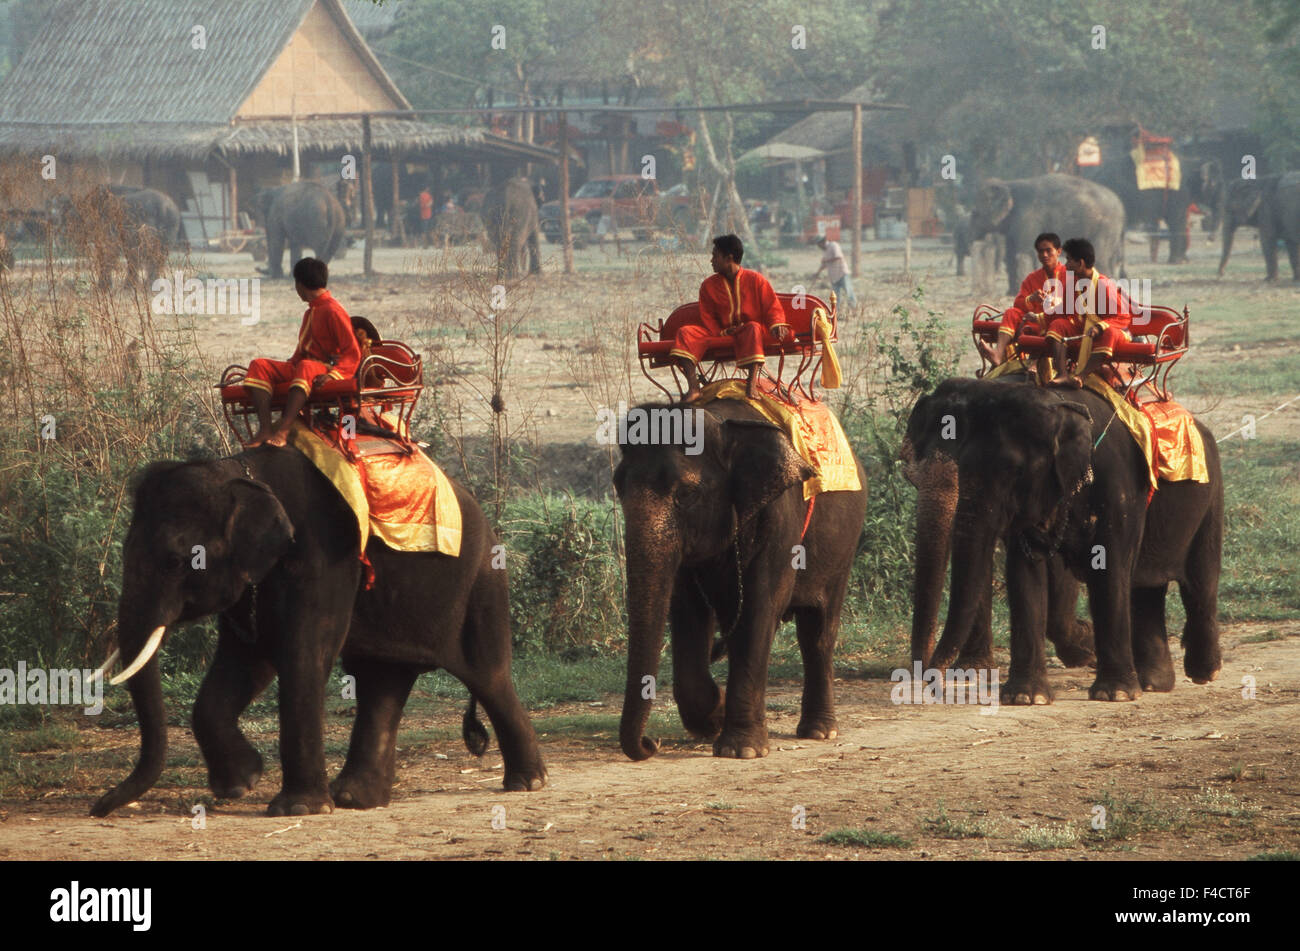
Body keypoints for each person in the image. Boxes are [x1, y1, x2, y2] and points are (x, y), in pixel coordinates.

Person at [243, 257, 360, 447]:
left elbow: (352, 352)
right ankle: (265, 429)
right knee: (259, 365)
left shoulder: (333, 310)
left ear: (300, 284)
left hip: (323, 368)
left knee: (305, 366)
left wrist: (333, 375)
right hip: (303, 367)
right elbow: (302, 350)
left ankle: (284, 430)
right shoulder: (311, 311)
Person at [671, 234, 791, 402]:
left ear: (729, 258)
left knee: (754, 328)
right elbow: (708, 316)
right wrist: (722, 332)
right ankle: (693, 387)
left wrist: (776, 325)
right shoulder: (708, 285)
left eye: (715, 256)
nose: (711, 260)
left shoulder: (756, 280)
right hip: (718, 333)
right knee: (685, 333)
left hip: (748, 331)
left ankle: (751, 384)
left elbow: (772, 307)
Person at [1043, 237, 1134, 389]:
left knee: (1109, 334)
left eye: (1069, 260)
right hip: (1086, 330)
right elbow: (1064, 312)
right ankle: (1063, 374)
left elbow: (1123, 317)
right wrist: (1040, 315)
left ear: (1081, 263)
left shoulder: (1104, 285)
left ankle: (1081, 376)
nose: (1065, 265)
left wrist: (1100, 327)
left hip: (1113, 332)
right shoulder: (1073, 284)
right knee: (1058, 325)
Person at [976, 232, 1066, 368]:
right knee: (1011, 312)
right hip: (1032, 323)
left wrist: (1050, 307)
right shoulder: (1032, 278)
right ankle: (998, 354)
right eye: (1041, 251)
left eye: (1049, 250)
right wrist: (1032, 298)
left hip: (1055, 323)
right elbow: (1018, 303)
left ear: (1059, 251)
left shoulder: (1069, 275)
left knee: (1057, 323)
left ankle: (1037, 362)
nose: (1045, 255)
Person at [812, 234, 855, 304]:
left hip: (842, 274)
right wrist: (817, 273)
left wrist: (826, 260)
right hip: (833, 277)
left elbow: (838, 257)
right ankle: (836, 312)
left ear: (823, 242)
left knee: (849, 293)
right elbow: (824, 264)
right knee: (835, 297)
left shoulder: (833, 245)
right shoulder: (825, 251)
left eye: (819, 244)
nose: (819, 247)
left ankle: (854, 309)